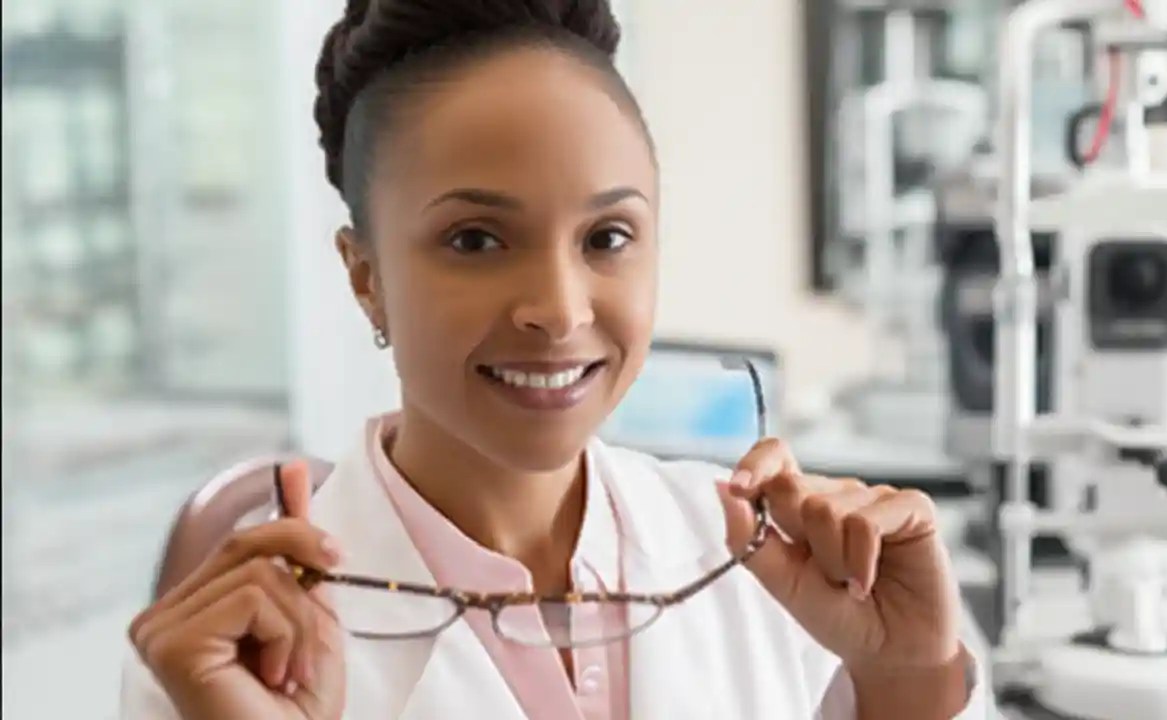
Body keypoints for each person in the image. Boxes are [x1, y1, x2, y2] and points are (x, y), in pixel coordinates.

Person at [120, 1, 987, 717]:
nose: (561, 310)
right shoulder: (221, 668)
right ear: (366, 277)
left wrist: (907, 681)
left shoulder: (769, 571)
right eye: (475, 238)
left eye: (607, 236)